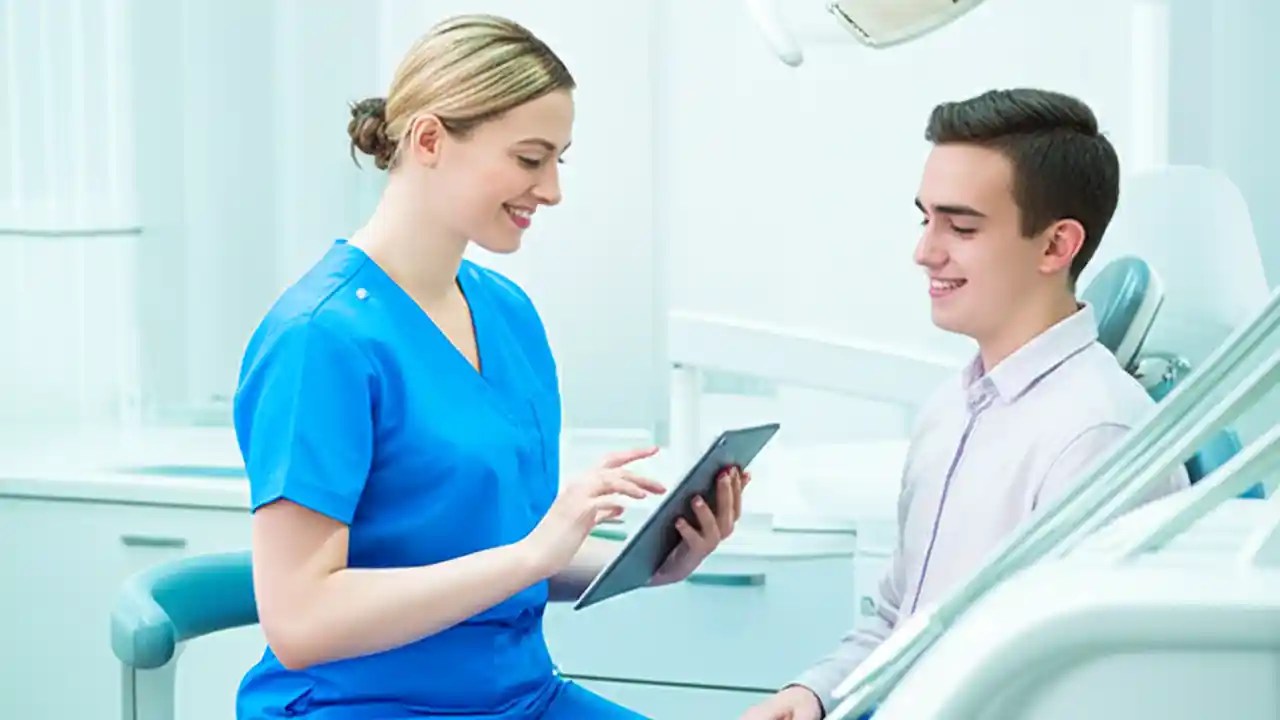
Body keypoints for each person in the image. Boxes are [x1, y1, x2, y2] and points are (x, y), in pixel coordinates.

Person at [233, 14, 750, 719]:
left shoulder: (506, 312)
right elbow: (299, 622)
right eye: (530, 158)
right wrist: (532, 556)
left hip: (519, 697)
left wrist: (649, 565)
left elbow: (506, 557)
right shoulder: (320, 340)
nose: (552, 189)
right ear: (429, 140)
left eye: (559, 160)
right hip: (367, 704)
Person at [740, 88, 1191, 720]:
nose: (925, 251)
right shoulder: (951, 411)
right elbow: (901, 621)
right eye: (925, 219)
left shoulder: (1098, 436)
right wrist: (811, 695)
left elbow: (1088, 690)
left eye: (962, 227)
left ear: (1057, 245)